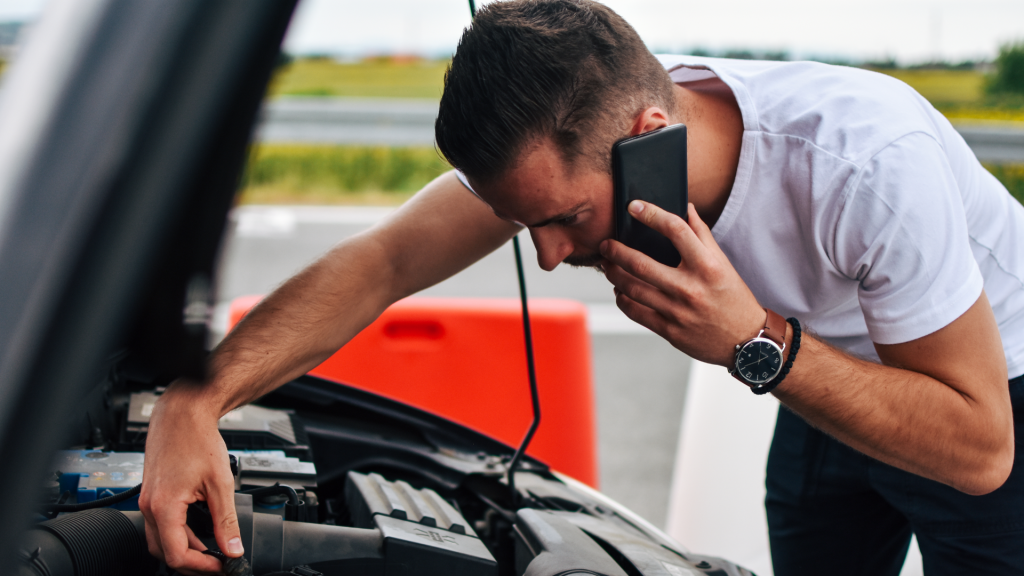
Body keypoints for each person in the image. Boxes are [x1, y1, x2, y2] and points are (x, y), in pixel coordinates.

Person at [139, 1, 1024, 574]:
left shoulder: (864, 165)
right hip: (816, 373)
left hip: (978, 393)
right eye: (527, 225)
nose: (552, 257)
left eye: (562, 217)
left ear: (650, 134)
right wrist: (197, 401)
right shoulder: (574, 128)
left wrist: (755, 343)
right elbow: (384, 261)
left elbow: (981, 452)